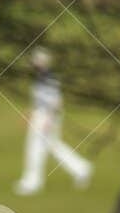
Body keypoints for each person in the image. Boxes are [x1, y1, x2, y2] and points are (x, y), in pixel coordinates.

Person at [14, 47, 91, 196]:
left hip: (46, 117)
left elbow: (55, 102)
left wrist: (48, 119)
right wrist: (30, 113)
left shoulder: (48, 78)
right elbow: (40, 100)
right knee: (53, 147)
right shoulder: (41, 77)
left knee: (36, 148)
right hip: (42, 116)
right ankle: (81, 168)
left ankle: (33, 182)